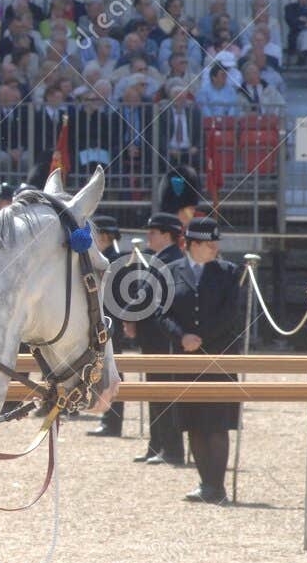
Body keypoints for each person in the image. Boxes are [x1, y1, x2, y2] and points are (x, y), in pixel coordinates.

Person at [162, 217, 245, 504]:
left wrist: (201, 339)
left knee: (217, 422)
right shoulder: (170, 272)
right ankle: (206, 483)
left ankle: (217, 486)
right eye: (210, 244)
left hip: (219, 357)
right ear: (193, 244)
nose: (215, 248)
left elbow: (231, 314)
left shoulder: (229, 272)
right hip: (185, 359)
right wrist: (181, 337)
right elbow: (161, 312)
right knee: (193, 422)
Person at [132, 212, 188, 467]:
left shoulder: (170, 260)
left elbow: (148, 296)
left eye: (153, 232)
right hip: (153, 334)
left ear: (167, 235)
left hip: (162, 336)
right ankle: (157, 444)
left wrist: (129, 316)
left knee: (165, 392)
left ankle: (172, 448)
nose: (149, 236)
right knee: (155, 391)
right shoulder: (162, 259)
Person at [86, 213, 123, 438]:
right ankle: (108, 419)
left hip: (110, 322)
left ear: (106, 237)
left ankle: (112, 421)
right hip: (106, 321)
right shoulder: (107, 259)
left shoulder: (113, 261)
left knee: (112, 370)